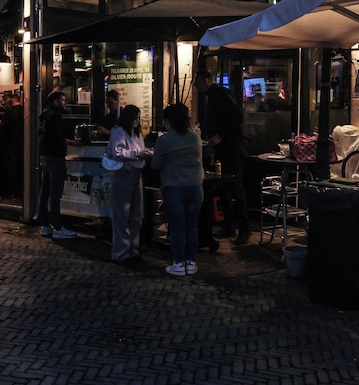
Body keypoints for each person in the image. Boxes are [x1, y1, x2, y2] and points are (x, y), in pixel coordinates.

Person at [151, 102, 205, 276]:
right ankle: (190, 262)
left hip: (174, 187)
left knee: (177, 227)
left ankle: (179, 264)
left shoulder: (165, 140)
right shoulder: (195, 136)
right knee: (191, 225)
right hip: (196, 187)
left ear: (168, 122)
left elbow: (156, 164)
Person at [198, 69, 251, 245]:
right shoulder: (213, 96)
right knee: (223, 187)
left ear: (206, 80)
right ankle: (228, 225)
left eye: (198, 82)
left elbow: (237, 116)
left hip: (232, 147)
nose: (196, 86)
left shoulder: (220, 94)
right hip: (223, 148)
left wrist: (220, 135)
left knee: (235, 185)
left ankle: (244, 228)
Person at [105, 104, 152, 263]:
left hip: (136, 175)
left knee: (136, 215)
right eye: (136, 118)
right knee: (122, 215)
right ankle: (121, 252)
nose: (138, 121)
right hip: (123, 175)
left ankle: (132, 249)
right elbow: (118, 153)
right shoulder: (119, 132)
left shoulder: (136, 134)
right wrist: (139, 153)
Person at [36, 90, 78, 240]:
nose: (65, 103)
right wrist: (72, 142)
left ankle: (45, 225)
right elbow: (58, 138)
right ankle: (58, 227)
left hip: (45, 156)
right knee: (55, 194)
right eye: (63, 100)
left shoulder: (44, 115)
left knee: (44, 192)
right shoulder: (55, 116)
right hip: (55, 158)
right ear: (55, 101)